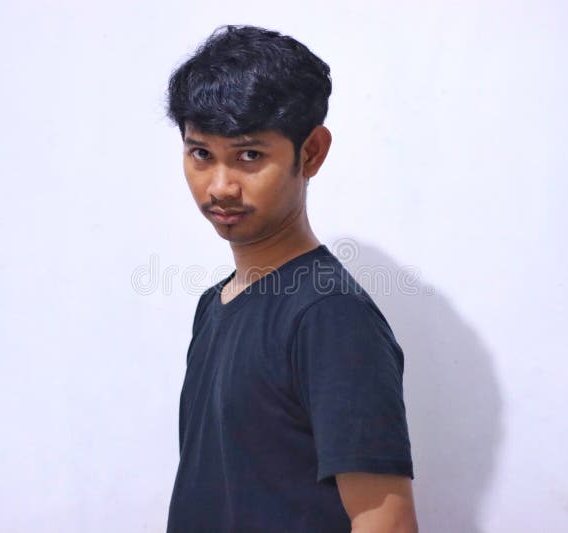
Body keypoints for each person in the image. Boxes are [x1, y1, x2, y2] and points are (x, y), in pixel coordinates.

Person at [164, 24, 418, 533]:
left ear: (311, 152)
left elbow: (385, 523)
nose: (220, 186)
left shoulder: (330, 315)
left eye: (249, 156)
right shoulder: (215, 305)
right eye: (201, 154)